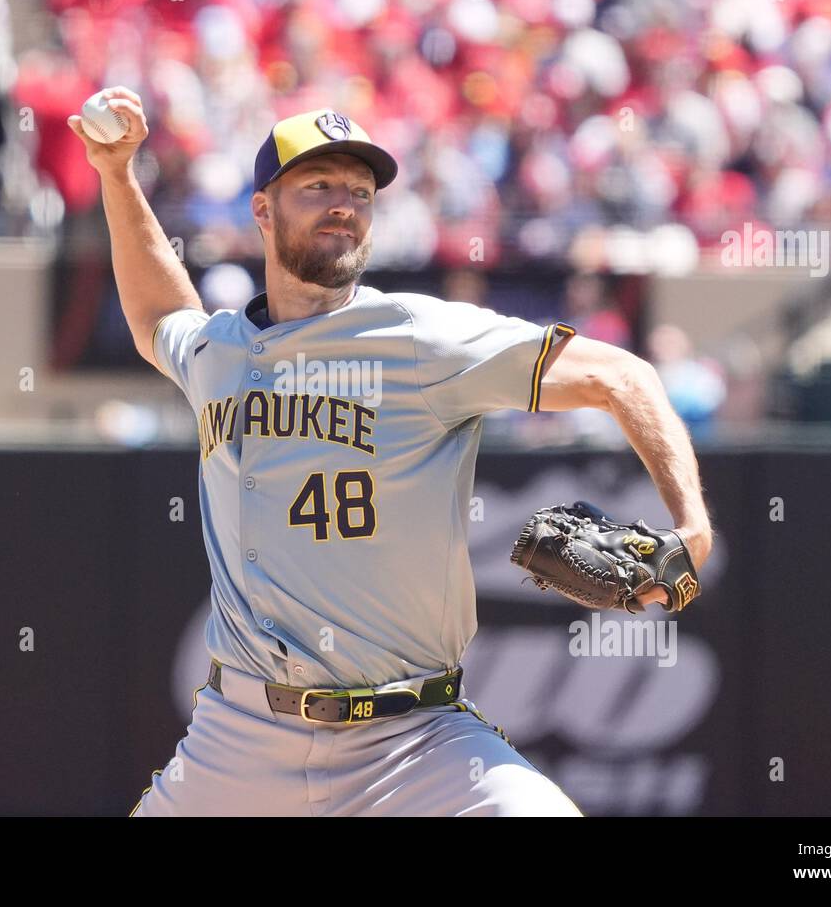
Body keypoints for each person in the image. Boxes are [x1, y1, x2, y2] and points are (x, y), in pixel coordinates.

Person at [67, 93, 713, 816]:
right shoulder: (218, 350)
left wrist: (692, 526)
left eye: (361, 192)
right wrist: (118, 175)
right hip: (241, 738)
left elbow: (621, 375)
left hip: (413, 741)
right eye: (318, 187)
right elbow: (159, 315)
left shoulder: (421, 339)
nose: (344, 204)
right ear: (262, 210)